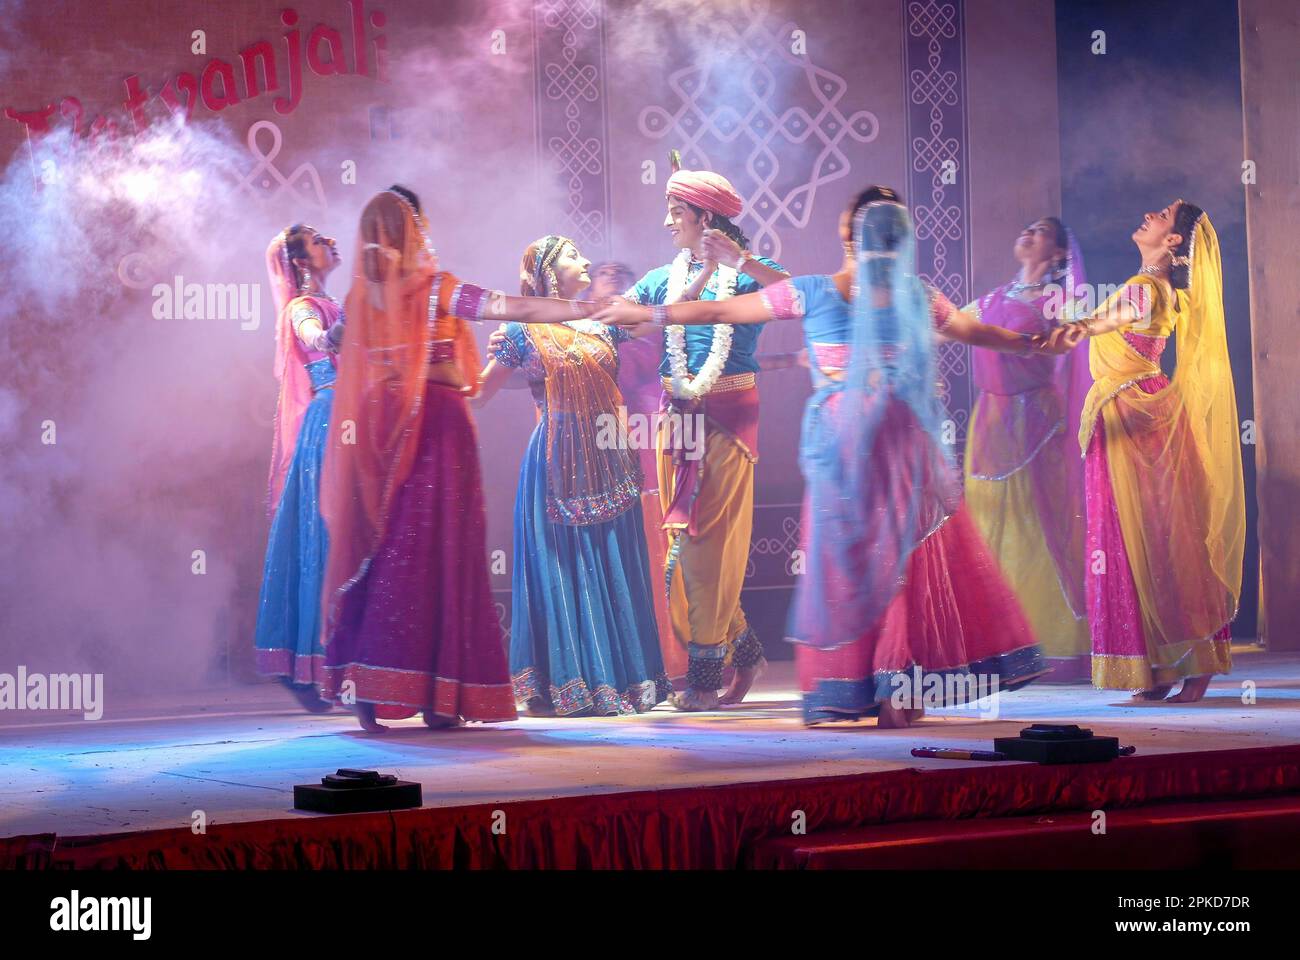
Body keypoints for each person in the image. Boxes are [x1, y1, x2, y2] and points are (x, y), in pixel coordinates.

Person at [598, 186, 1051, 726]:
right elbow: (979, 333)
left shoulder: (811, 292)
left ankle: (868, 683)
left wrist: (651, 314)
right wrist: (1037, 343)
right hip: (903, 440)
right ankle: (897, 689)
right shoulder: (919, 297)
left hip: (844, 442)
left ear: (848, 236)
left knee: (851, 560)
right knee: (902, 556)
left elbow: (720, 309)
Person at [1048, 201, 1244, 701]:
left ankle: (1180, 665)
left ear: (1173, 241)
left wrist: (1065, 326)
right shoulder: (1158, 290)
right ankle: (1162, 667)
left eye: (1161, 215)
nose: (1148, 215)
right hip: (1134, 414)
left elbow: (1100, 321)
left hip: (1136, 421)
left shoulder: (1146, 289)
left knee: (1148, 540)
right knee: (1155, 540)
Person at [476, 237, 668, 716]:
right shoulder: (522, 332)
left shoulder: (602, 321)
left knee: (614, 564)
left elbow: (661, 317)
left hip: (610, 455)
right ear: (545, 272)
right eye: (572, 256)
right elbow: (476, 396)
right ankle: (571, 684)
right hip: (555, 463)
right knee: (565, 569)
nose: (585, 262)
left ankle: (625, 680)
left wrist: (697, 271)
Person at [622, 163, 789, 710]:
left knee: (703, 551)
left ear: (705, 218)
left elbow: (796, 295)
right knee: (688, 547)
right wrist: (692, 283)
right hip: (678, 423)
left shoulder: (746, 276)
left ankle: (703, 677)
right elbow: (629, 320)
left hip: (729, 422)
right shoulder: (663, 276)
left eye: (676, 213)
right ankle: (745, 655)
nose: (666, 221)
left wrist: (736, 260)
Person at [962, 218, 1092, 680]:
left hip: (1036, 423)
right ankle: (996, 641)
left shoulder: (1062, 301)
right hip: (990, 422)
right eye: (1026, 228)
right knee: (988, 523)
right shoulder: (991, 300)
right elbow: (944, 327)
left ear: (1058, 254)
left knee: (1039, 526)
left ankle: (1047, 643)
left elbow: (1081, 338)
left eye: (1039, 231)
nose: (1026, 233)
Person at [253, 223, 344, 713]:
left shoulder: (339, 301)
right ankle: (315, 665)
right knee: (325, 540)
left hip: (354, 423)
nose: (330, 239)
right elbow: (322, 341)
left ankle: (350, 665)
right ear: (303, 262)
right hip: (328, 426)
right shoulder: (301, 310)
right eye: (316, 239)